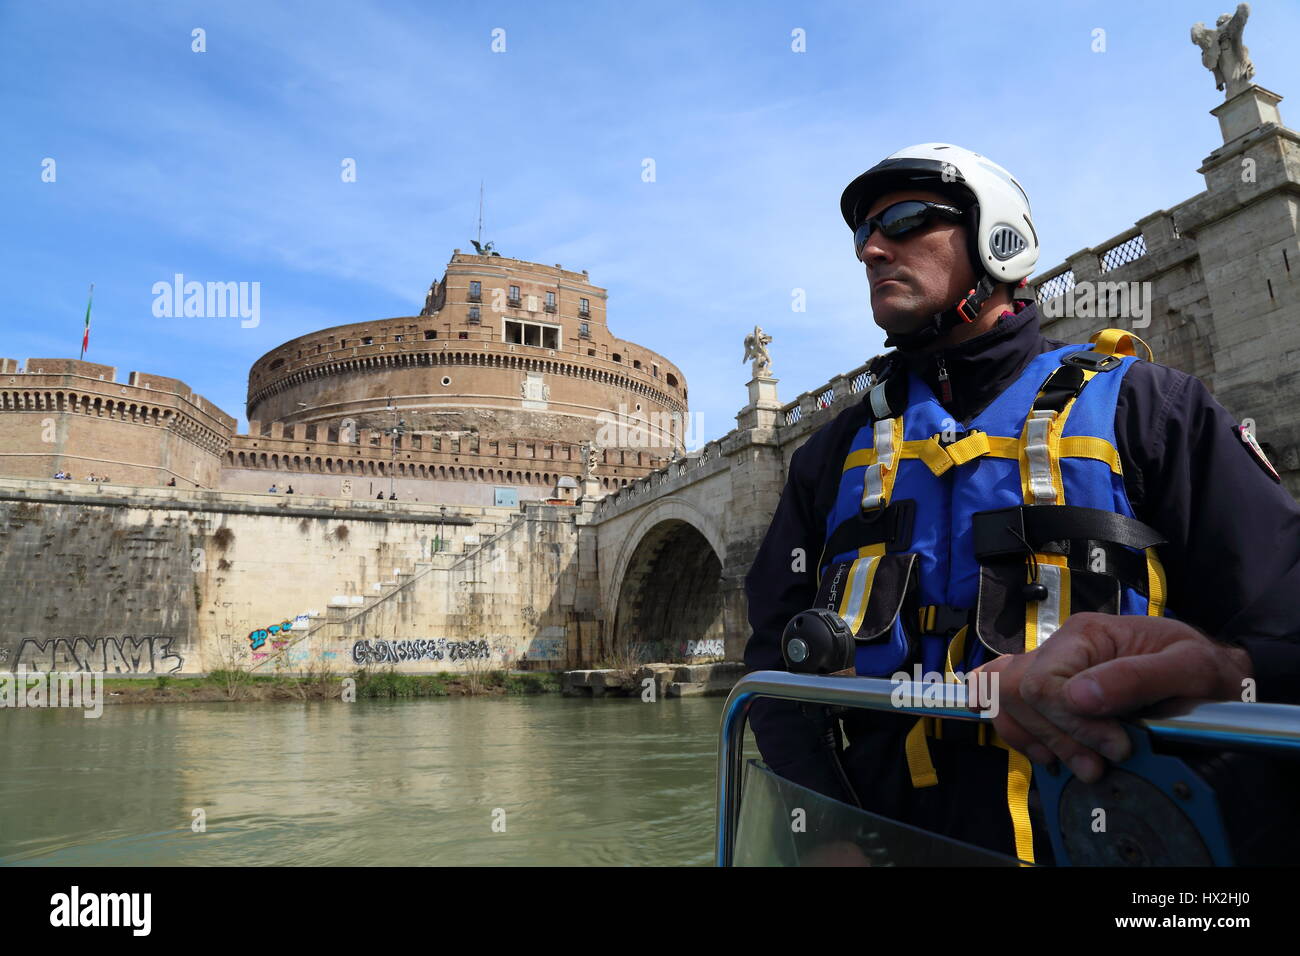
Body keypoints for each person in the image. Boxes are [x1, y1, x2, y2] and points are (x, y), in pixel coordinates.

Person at [743, 142, 1300, 863]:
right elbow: (771, 663)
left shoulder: (1149, 409)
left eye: (906, 221)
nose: (872, 250)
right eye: (863, 234)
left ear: (1000, 242)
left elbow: (1284, 625)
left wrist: (1225, 671)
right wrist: (826, 830)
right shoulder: (831, 454)